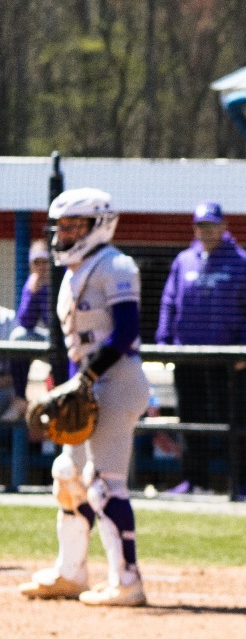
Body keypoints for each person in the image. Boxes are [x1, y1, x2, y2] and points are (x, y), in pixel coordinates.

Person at [17, 189, 151, 607]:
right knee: (67, 477)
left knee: (104, 484)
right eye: (63, 227)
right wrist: (75, 382)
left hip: (117, 379)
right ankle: (70, 573)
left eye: (76, 226)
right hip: (92, 381)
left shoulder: (115, 265)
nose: (67, 234)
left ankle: (126, 581)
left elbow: (126, 330)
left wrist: (86, 377)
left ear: (101, 225)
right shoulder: (75, 270)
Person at [157, 201, 246, 495]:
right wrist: (164, 342)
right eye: (201, 226)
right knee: (192, 422)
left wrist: (245, 349)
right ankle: (196, 483)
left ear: (223, 226)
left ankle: (242, 484)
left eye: (211, 225)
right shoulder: (183, 261)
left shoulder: (242, 261)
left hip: (228, 359)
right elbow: (169, 301)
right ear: (195, 229)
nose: (206, 231)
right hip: (188, 356)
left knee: (235, 422)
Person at [7, 239, 52, 415]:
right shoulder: (33, 283)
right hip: (47, 336)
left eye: (44, 262)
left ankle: (57, 394)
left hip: (67, 337)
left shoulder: (62, 277)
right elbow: (26, 322)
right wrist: (33, 293)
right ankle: (20, 398)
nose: (41, 267)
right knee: (18, 336)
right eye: (36, 262)